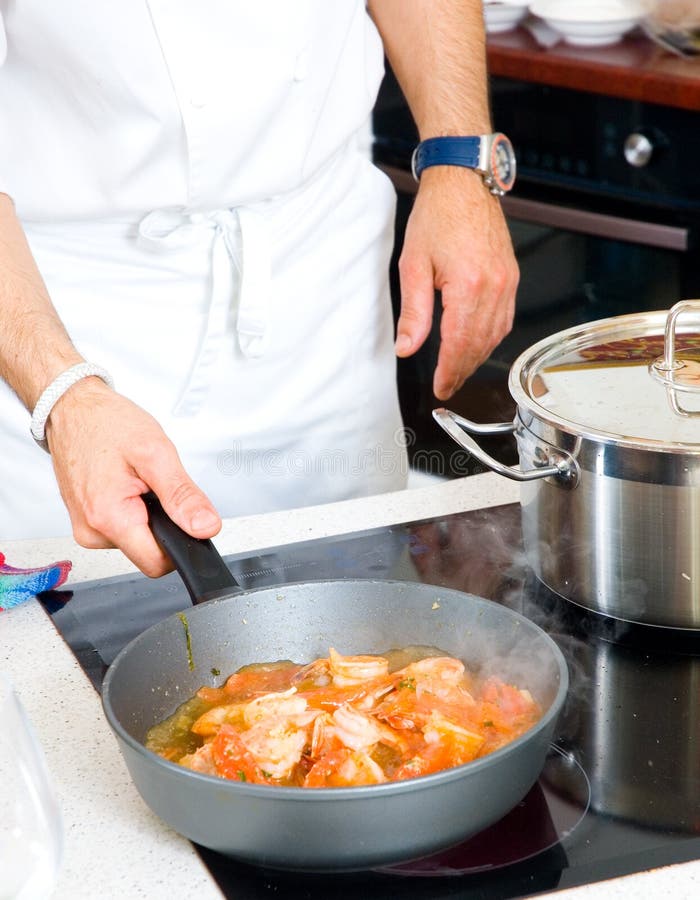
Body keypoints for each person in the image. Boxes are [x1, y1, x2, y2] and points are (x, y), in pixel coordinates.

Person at [0, 1, 518, 576]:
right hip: (65, 326)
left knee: (366, 631)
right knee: (77, 641)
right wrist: (66, 400)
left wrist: (459, 160)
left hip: (318, 285)